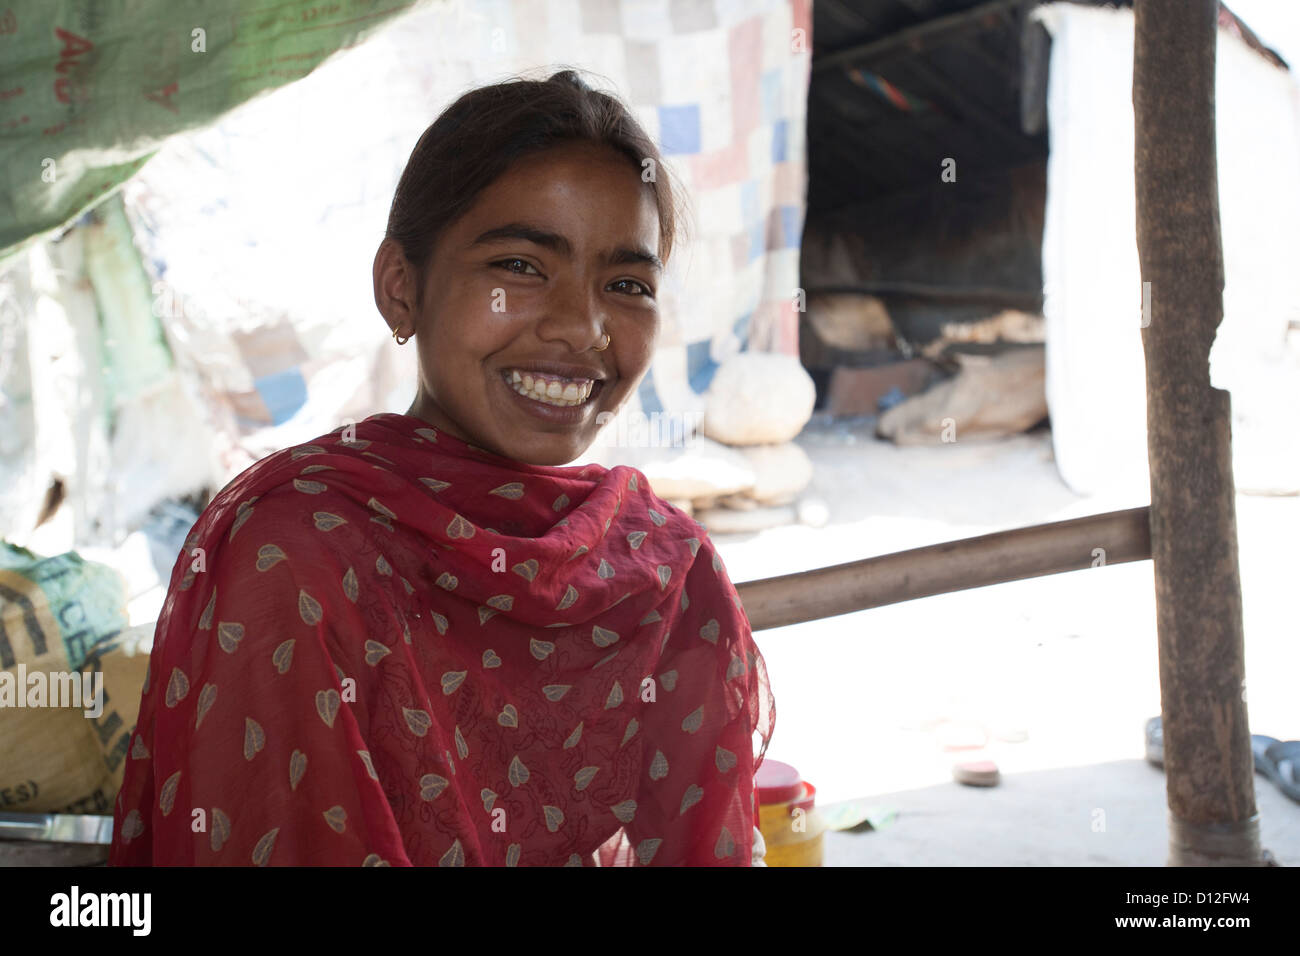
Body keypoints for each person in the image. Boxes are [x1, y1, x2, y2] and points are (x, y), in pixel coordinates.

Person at [109, 70, 775, 867]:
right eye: (521, 267)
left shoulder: (668, 571)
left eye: (626, 284)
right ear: (402, 289)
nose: (581, 327)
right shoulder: (297, 553)